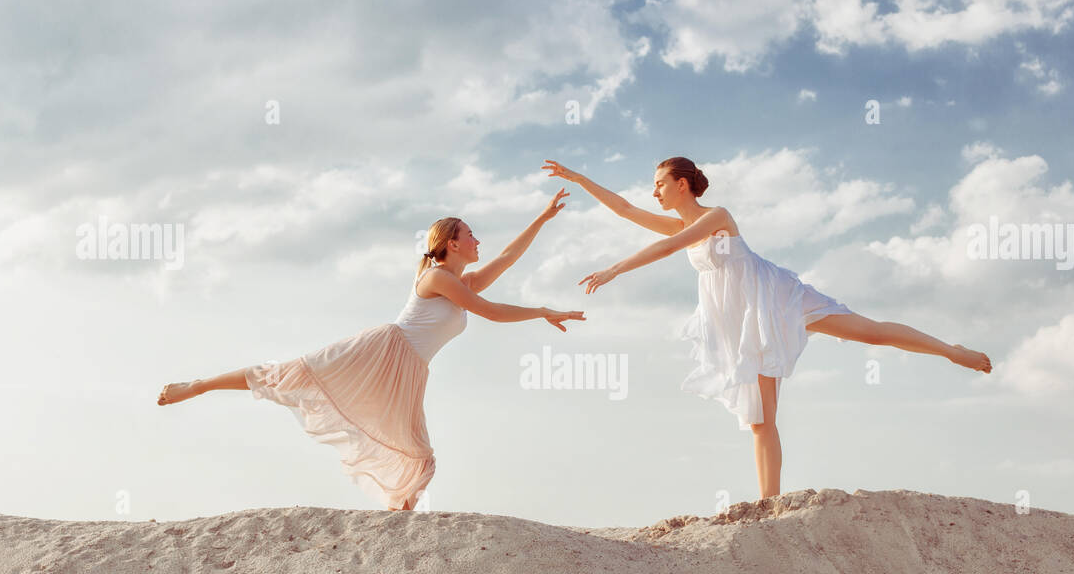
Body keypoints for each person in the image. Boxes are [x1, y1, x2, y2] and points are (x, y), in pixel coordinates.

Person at [542, 156, 991, 500]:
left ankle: (951, 350)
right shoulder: (678, 219)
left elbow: (669, 247)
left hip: (775, 298)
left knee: (868, 331)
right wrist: (580, 179)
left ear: (682, 184)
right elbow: (622, 209)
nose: (653, 192)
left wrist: (615, 269)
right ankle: (768, 505)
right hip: (741, 320)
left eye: (658, 184)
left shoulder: (716, 215)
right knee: (760, 417)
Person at [157, 190, 585, 510]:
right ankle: (196, 386)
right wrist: (543, 310)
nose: (479, 241)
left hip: (410, 370)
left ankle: (396, 524)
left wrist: (542, 218)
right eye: (471, 235)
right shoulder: (439, 279)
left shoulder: (462, 283)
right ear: (452, 244)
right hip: (383, 352)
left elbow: (508, 256)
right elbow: (490, 312)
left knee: (418, 455)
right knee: (289, 374)